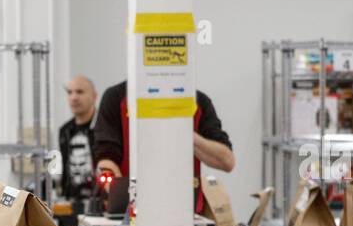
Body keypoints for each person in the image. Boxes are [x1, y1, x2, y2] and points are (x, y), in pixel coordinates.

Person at [92, 80, 234, 212]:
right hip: (130, 215)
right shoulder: (117, 97)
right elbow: (106, 156)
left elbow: (227, 161)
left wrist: (185, 132)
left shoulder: (197, 102)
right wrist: (121, 195)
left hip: (185, 213)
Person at [57, 75, 97, 209]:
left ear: (94, 96)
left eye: (80, 92)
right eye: (70, 92)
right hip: (70, 204)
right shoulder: (65, 131)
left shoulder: (104, 127)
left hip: (99, 204)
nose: (74, 97)